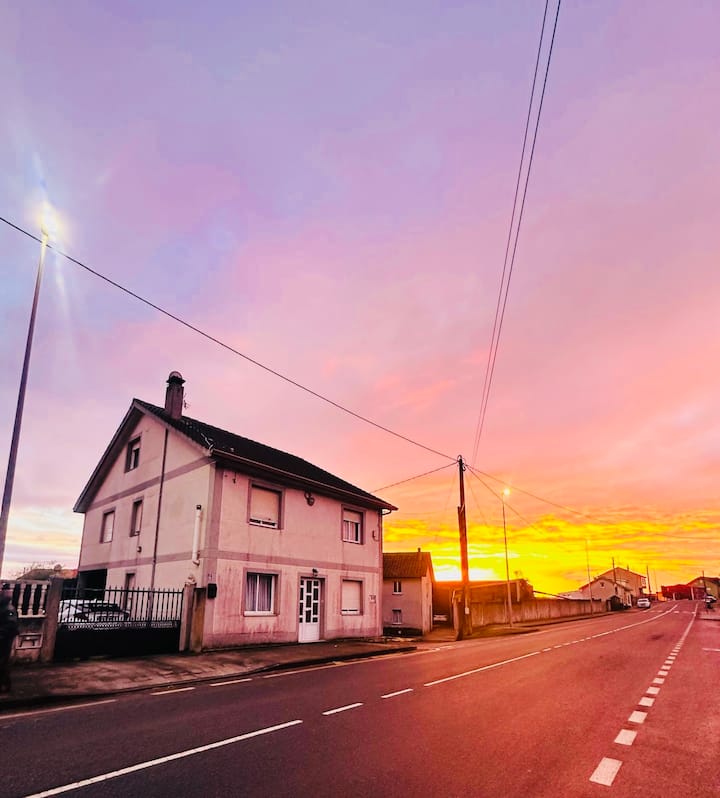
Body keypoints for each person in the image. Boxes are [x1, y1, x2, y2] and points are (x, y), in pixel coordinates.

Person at [0, 582, 20, 692]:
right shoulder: (4, 606)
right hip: (4, 637)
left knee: (2, 662)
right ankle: (5, 684)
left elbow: (10, 625)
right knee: (3, 662)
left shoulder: (8, 608)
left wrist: (2, 634)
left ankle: (5, 684)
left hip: (5, 638)